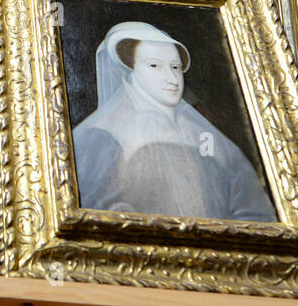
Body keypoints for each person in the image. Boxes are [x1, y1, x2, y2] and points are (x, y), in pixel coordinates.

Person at [72, 21, 277, 222]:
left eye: (175, 67)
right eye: (154, 66)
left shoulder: (205, 135)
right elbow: (102, 215)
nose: (172, 78)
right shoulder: (99, 135)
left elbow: (251, 209)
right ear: (130, 69)